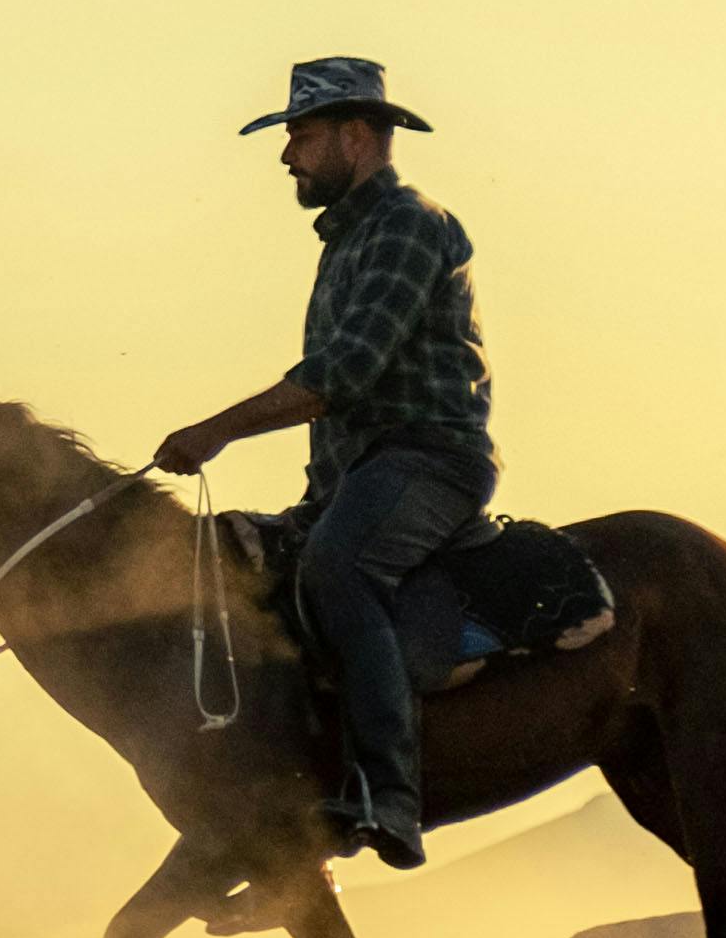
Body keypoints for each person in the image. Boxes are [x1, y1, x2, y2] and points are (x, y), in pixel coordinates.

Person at [151, 55, 493, 872]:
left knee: (338, 570)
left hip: (429, 458)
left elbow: (344, 372)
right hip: (362, 473)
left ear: (354, 135)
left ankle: (389, 798)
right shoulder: (348, 242)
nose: (287, 156)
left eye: (299, 136)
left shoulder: (410, 226)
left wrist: (218, 429)